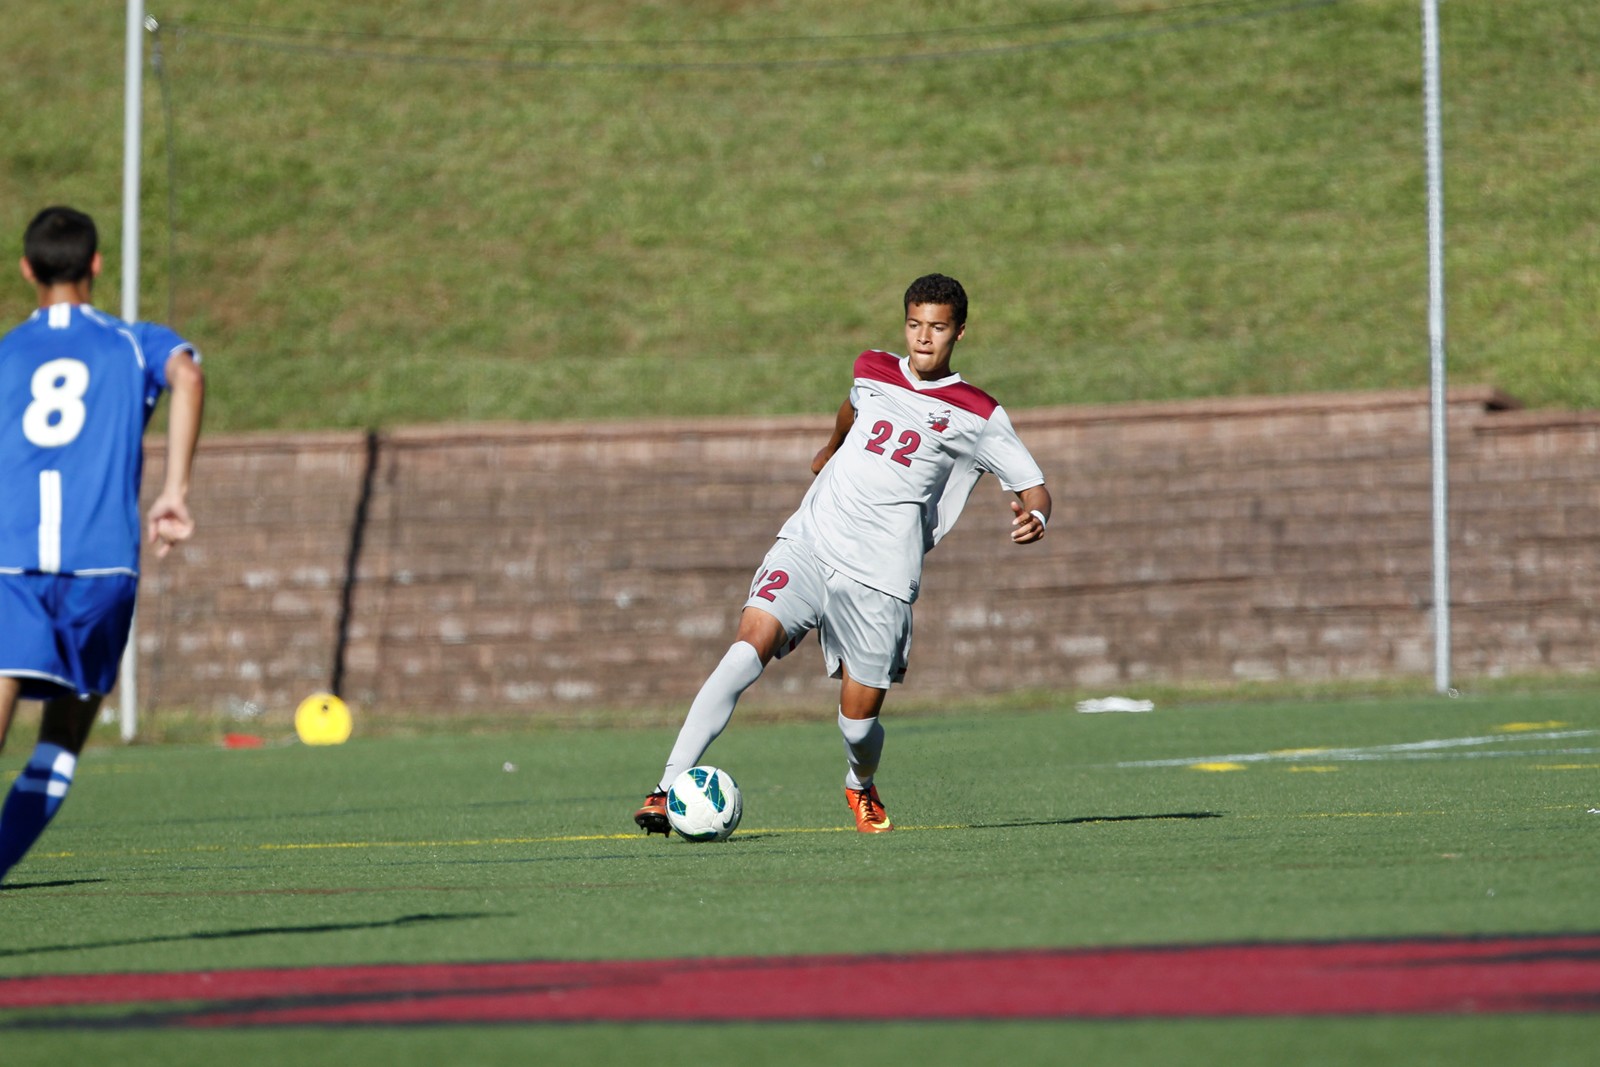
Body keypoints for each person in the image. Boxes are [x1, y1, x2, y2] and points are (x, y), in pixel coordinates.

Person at [634, 273, 1051, 835]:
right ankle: (664, 790)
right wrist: (830, 449)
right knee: (744, 650)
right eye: (914, 324)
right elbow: (851, 409)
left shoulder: (977, 411)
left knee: (857, 727)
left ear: (959, 333)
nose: (923, 338)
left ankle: (859, 784)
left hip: (881, 578)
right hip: (811, 539)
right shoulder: (871, 368)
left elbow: (1033, 485)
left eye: (937, 328)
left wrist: (1037, 515)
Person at [0, 206, 205, 884]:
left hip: (14, 562)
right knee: (59, 741)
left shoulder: (6, 352)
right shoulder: (132, 341)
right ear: (95, 265)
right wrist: (174, 490)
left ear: (27, 269)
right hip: (102, 568)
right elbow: (190, 375)